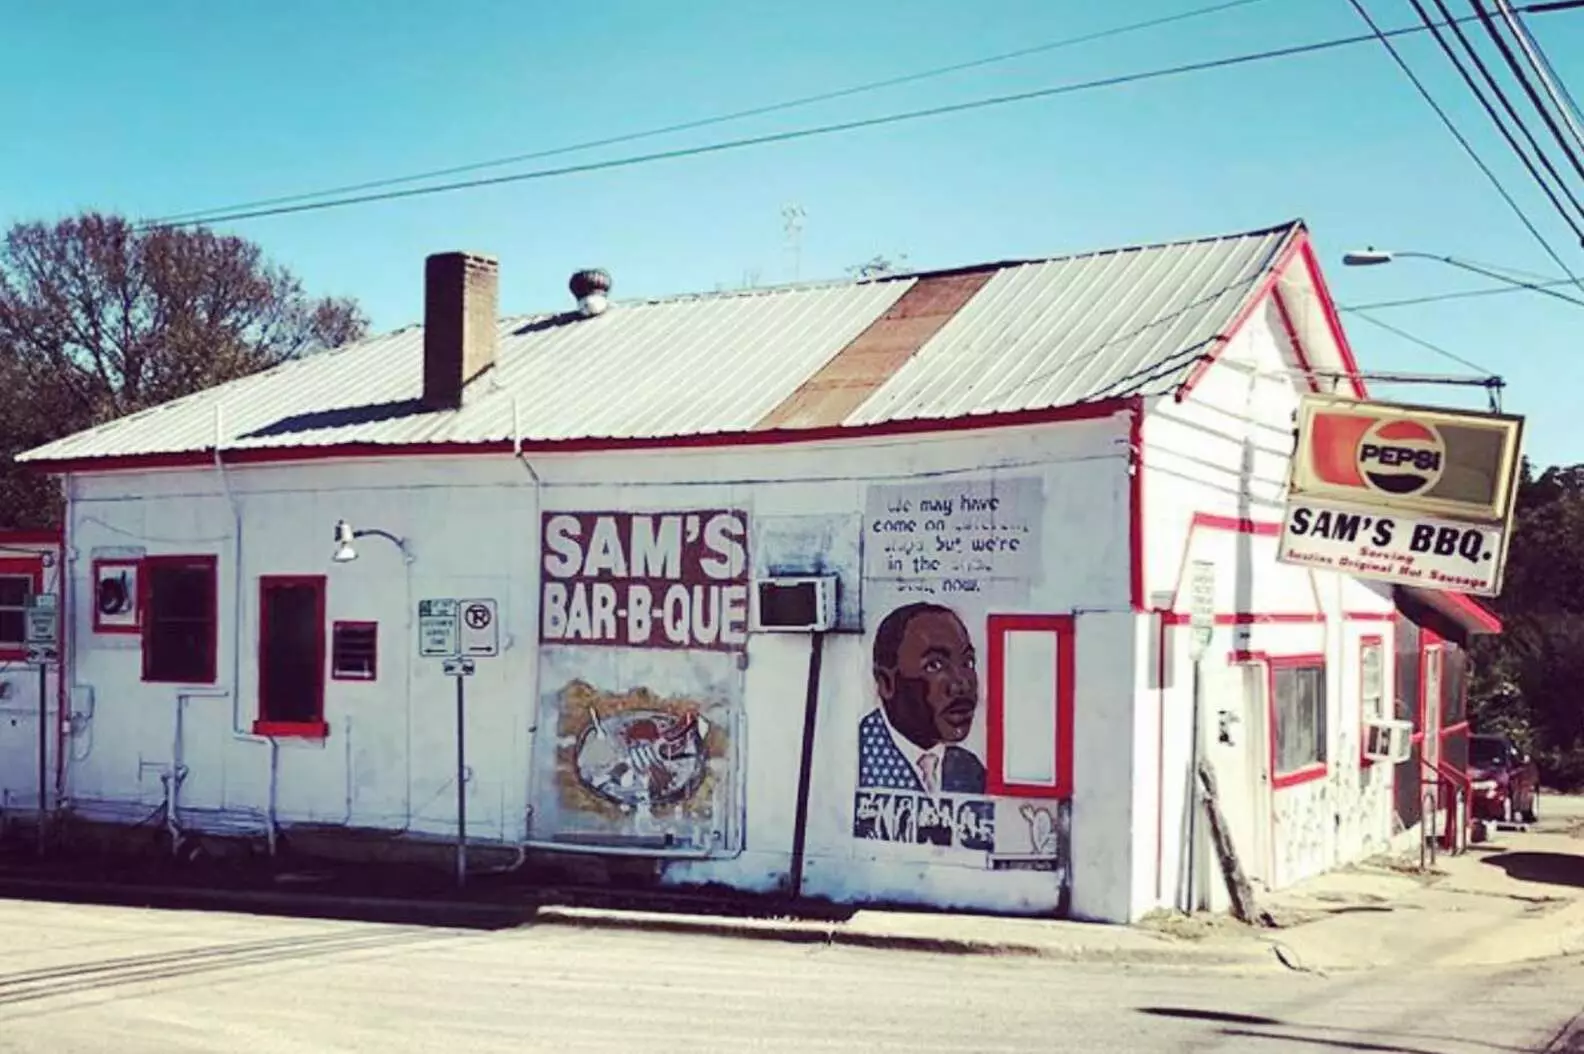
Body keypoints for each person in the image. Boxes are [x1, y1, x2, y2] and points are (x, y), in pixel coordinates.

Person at [858, 602, 986, 795]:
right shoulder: (855, 760)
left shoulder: (969, 771)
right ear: (886, 683)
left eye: (968, 662)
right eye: (934, 665)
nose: (961, 685)